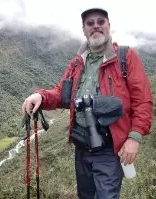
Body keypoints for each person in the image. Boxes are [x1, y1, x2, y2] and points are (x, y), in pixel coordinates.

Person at [22, 8, 153, 199]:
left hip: (109, 148)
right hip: (81, 147)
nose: (96, 26)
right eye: (90, 23)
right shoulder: (77, 63)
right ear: (84, 29)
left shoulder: (126, 57)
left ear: (108, 25)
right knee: (85, 196)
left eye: (101, 21)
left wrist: (134, 137)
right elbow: (61, 93)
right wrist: (41, 96)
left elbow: (143, 100)